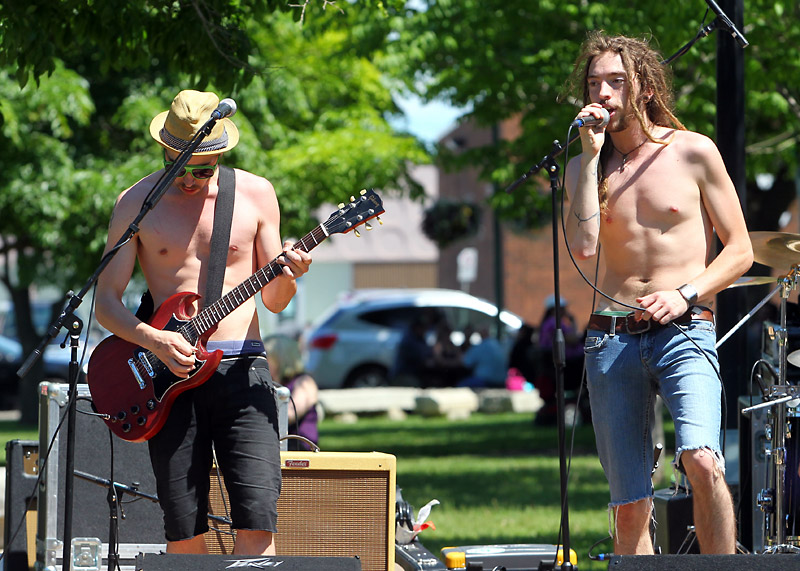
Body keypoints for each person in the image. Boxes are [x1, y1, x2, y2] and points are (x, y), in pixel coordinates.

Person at [95, 90, 312, 555]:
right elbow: (106, 304)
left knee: (257, 524)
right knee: (184, 532)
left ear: (220, 153)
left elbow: (274, 300)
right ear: (165, 150)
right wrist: (154, 341)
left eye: (204, 169)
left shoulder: (256, 194)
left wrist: (290, 275)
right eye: (180, 166)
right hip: (167, 378)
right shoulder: (136, 203)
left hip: (241, 371)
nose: (192, 179)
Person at [563, 32, 753, 555]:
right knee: (630, 506)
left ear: (644, 88)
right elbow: (582, 247)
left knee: (702, 460)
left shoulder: (693, 150)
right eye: (594, 83)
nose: (603, 94)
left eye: (616, 83)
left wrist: (686, 294)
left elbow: (739, 251)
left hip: (685, 328)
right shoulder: (583, 166)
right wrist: (588, 157)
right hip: (611, 339)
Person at [264, 335, 319, 450]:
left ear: (281, 360)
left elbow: (289, 414)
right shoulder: (270, 383)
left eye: (266, 358)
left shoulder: (304, 382)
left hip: (299, 450)